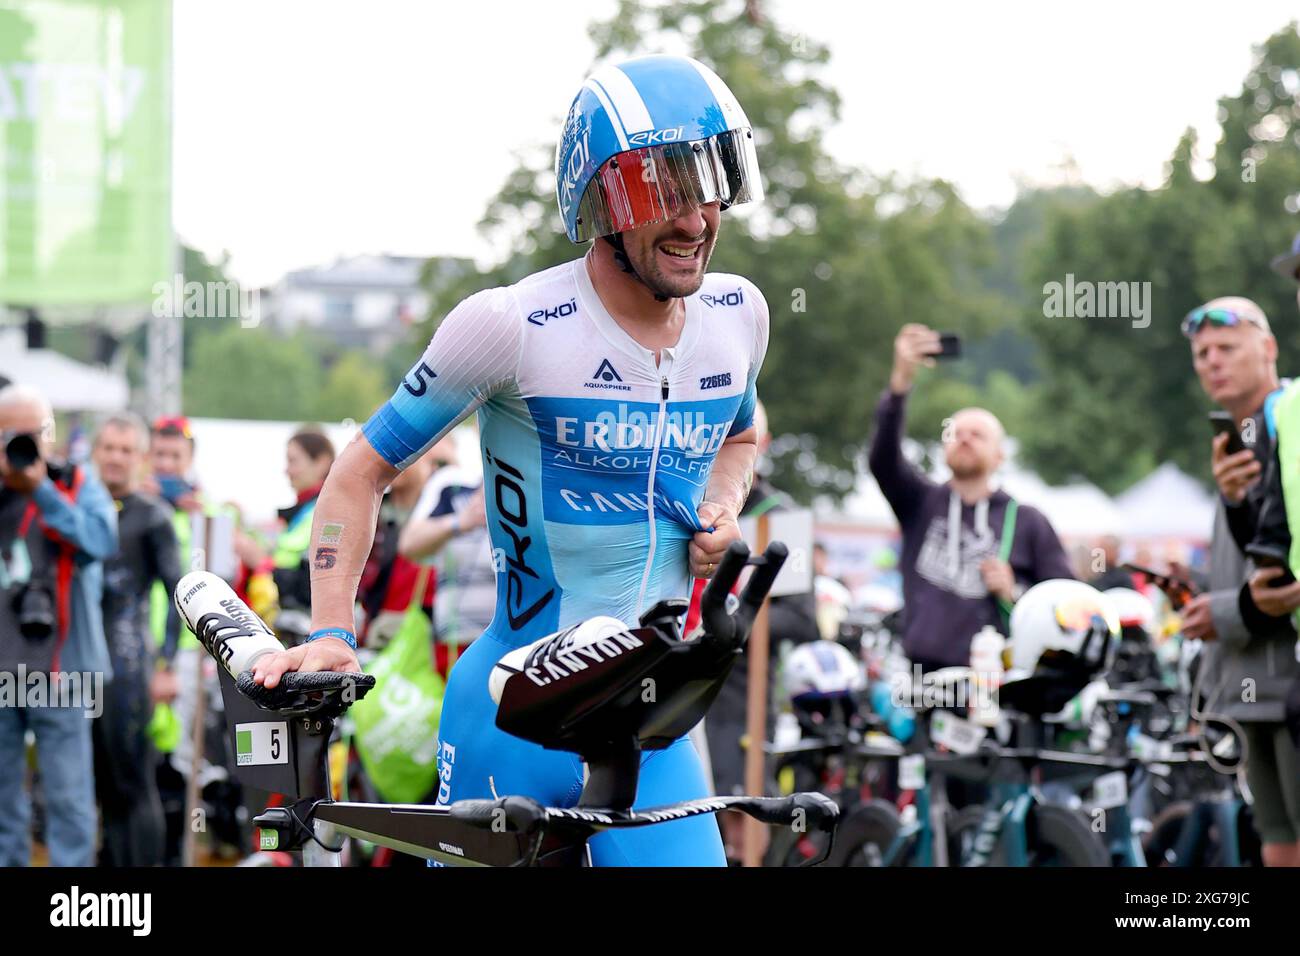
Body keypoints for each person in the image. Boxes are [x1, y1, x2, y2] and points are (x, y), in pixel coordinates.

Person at [253, 54, 769, 867]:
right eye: (664, 189)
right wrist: (328, 629)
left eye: (713, 182)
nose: (697, 218)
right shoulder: (512, 325)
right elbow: (359, 471)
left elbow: (742, 435)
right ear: (602, 200)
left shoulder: (739, 317)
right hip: (510, 710)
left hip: (650, 717)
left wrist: (723, 504)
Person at [868, 324, 1074, 672]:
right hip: (924, 679)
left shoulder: (1027, 522)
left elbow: (1065, 602)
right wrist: (900, 383)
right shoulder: (921, 502)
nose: (964, 439)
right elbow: (882, 459)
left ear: (999, 456)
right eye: (956, 433)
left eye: (977, 435)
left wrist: (1015, 591)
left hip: (995, 683)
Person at [1178, 295, 1299, 867]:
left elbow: (1285, 580)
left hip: (1287, 678)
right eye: (1202, 353)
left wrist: (1224, 610)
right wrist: (1201, 589)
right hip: (1248, 687)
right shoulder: (1236, 440)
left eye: (1226, 347)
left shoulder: (1290, 423)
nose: (1211, 361)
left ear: (1269, 348)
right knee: (1277, 838)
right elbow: (1254, 562)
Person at [694, 400, 818, 861]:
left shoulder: (779, 516)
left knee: (738, 812)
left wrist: (738, 619)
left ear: (758, 445)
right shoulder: (683, 499)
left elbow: (805, 621)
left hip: (740, 692)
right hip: (674, 681)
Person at [0, 384, 117, 866]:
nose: (25, 444)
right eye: (12, 435)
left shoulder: (76, 483)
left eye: (34, 433)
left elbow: (99, 542)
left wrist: (41, 491)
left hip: (63, 670)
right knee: (3, 800)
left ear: (50, 435)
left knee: (69, 797)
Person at [90, 413, 180, 866]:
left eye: (126, 450)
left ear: (141, 459)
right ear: (95, 453)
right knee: (101, 784)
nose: (116, 458)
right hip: (81, 665)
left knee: (135, 783)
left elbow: (180, 592)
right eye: (109, 448)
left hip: (128, 667)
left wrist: (165, 664)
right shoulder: (80, 511)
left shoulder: (153, 516)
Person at [399, 430, 495, 680]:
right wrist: (459, 522)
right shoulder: (453, 485)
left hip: (521, 637)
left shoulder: (534, 480)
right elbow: (410, 544)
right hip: (458, 643)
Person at [235, 427, 336, 614]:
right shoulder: (300, 513)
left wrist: (262, 564)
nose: (286, 470)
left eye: (293, 461)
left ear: (321, 462)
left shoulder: (332, 513)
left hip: (305, 626)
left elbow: (314, 586)